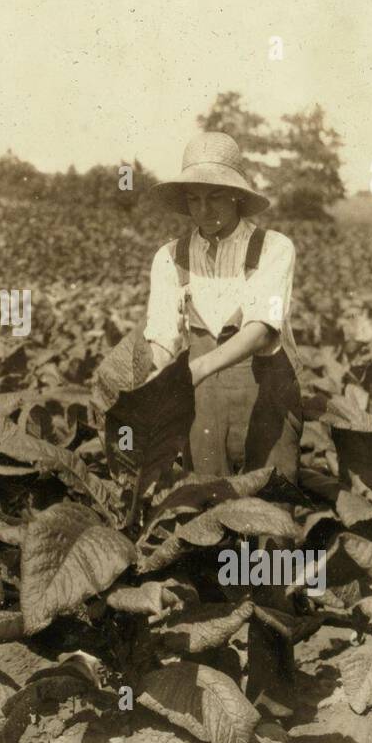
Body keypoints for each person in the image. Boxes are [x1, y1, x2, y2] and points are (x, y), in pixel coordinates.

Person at [144, 132, 303, 483]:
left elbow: (261, 330)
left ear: (237, 195)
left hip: (266, 410)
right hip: (202, 412)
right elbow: (163, 338)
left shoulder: (273, 249)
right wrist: (149, 384)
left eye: (215, 196)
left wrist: (197, 369)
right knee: (208, 514)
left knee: (269, 520)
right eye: (194, 199)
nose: (204, 210)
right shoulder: (170, 258)